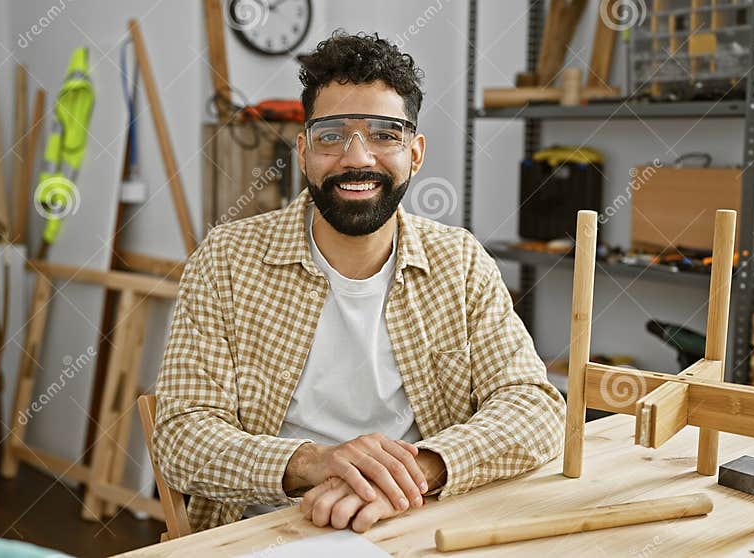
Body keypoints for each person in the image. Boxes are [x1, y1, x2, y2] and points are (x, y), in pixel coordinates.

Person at [153, 30, 565, 534]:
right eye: (331, 136)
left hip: (419, 519)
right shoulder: (226, 260)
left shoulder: (460, 261)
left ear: (414, 153)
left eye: (384, 135)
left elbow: (535, 408)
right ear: (303, 151)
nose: (357, 158)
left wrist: (415, 472)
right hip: (265, 532)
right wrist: (317, 464)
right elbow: (180, 437)